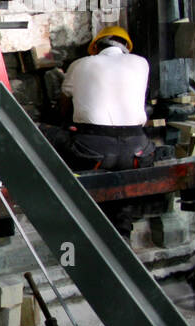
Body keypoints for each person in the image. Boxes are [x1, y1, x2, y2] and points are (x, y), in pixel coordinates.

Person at [41, 25, 155, 237]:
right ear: (126, 47)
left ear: (95, 48)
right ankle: (122, 235)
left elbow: (64, 106)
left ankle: (67, 215)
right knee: (122, 188)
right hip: (137, 151)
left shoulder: (80, 64)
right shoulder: (141, 63)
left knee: (44, 131)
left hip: (92, 150)